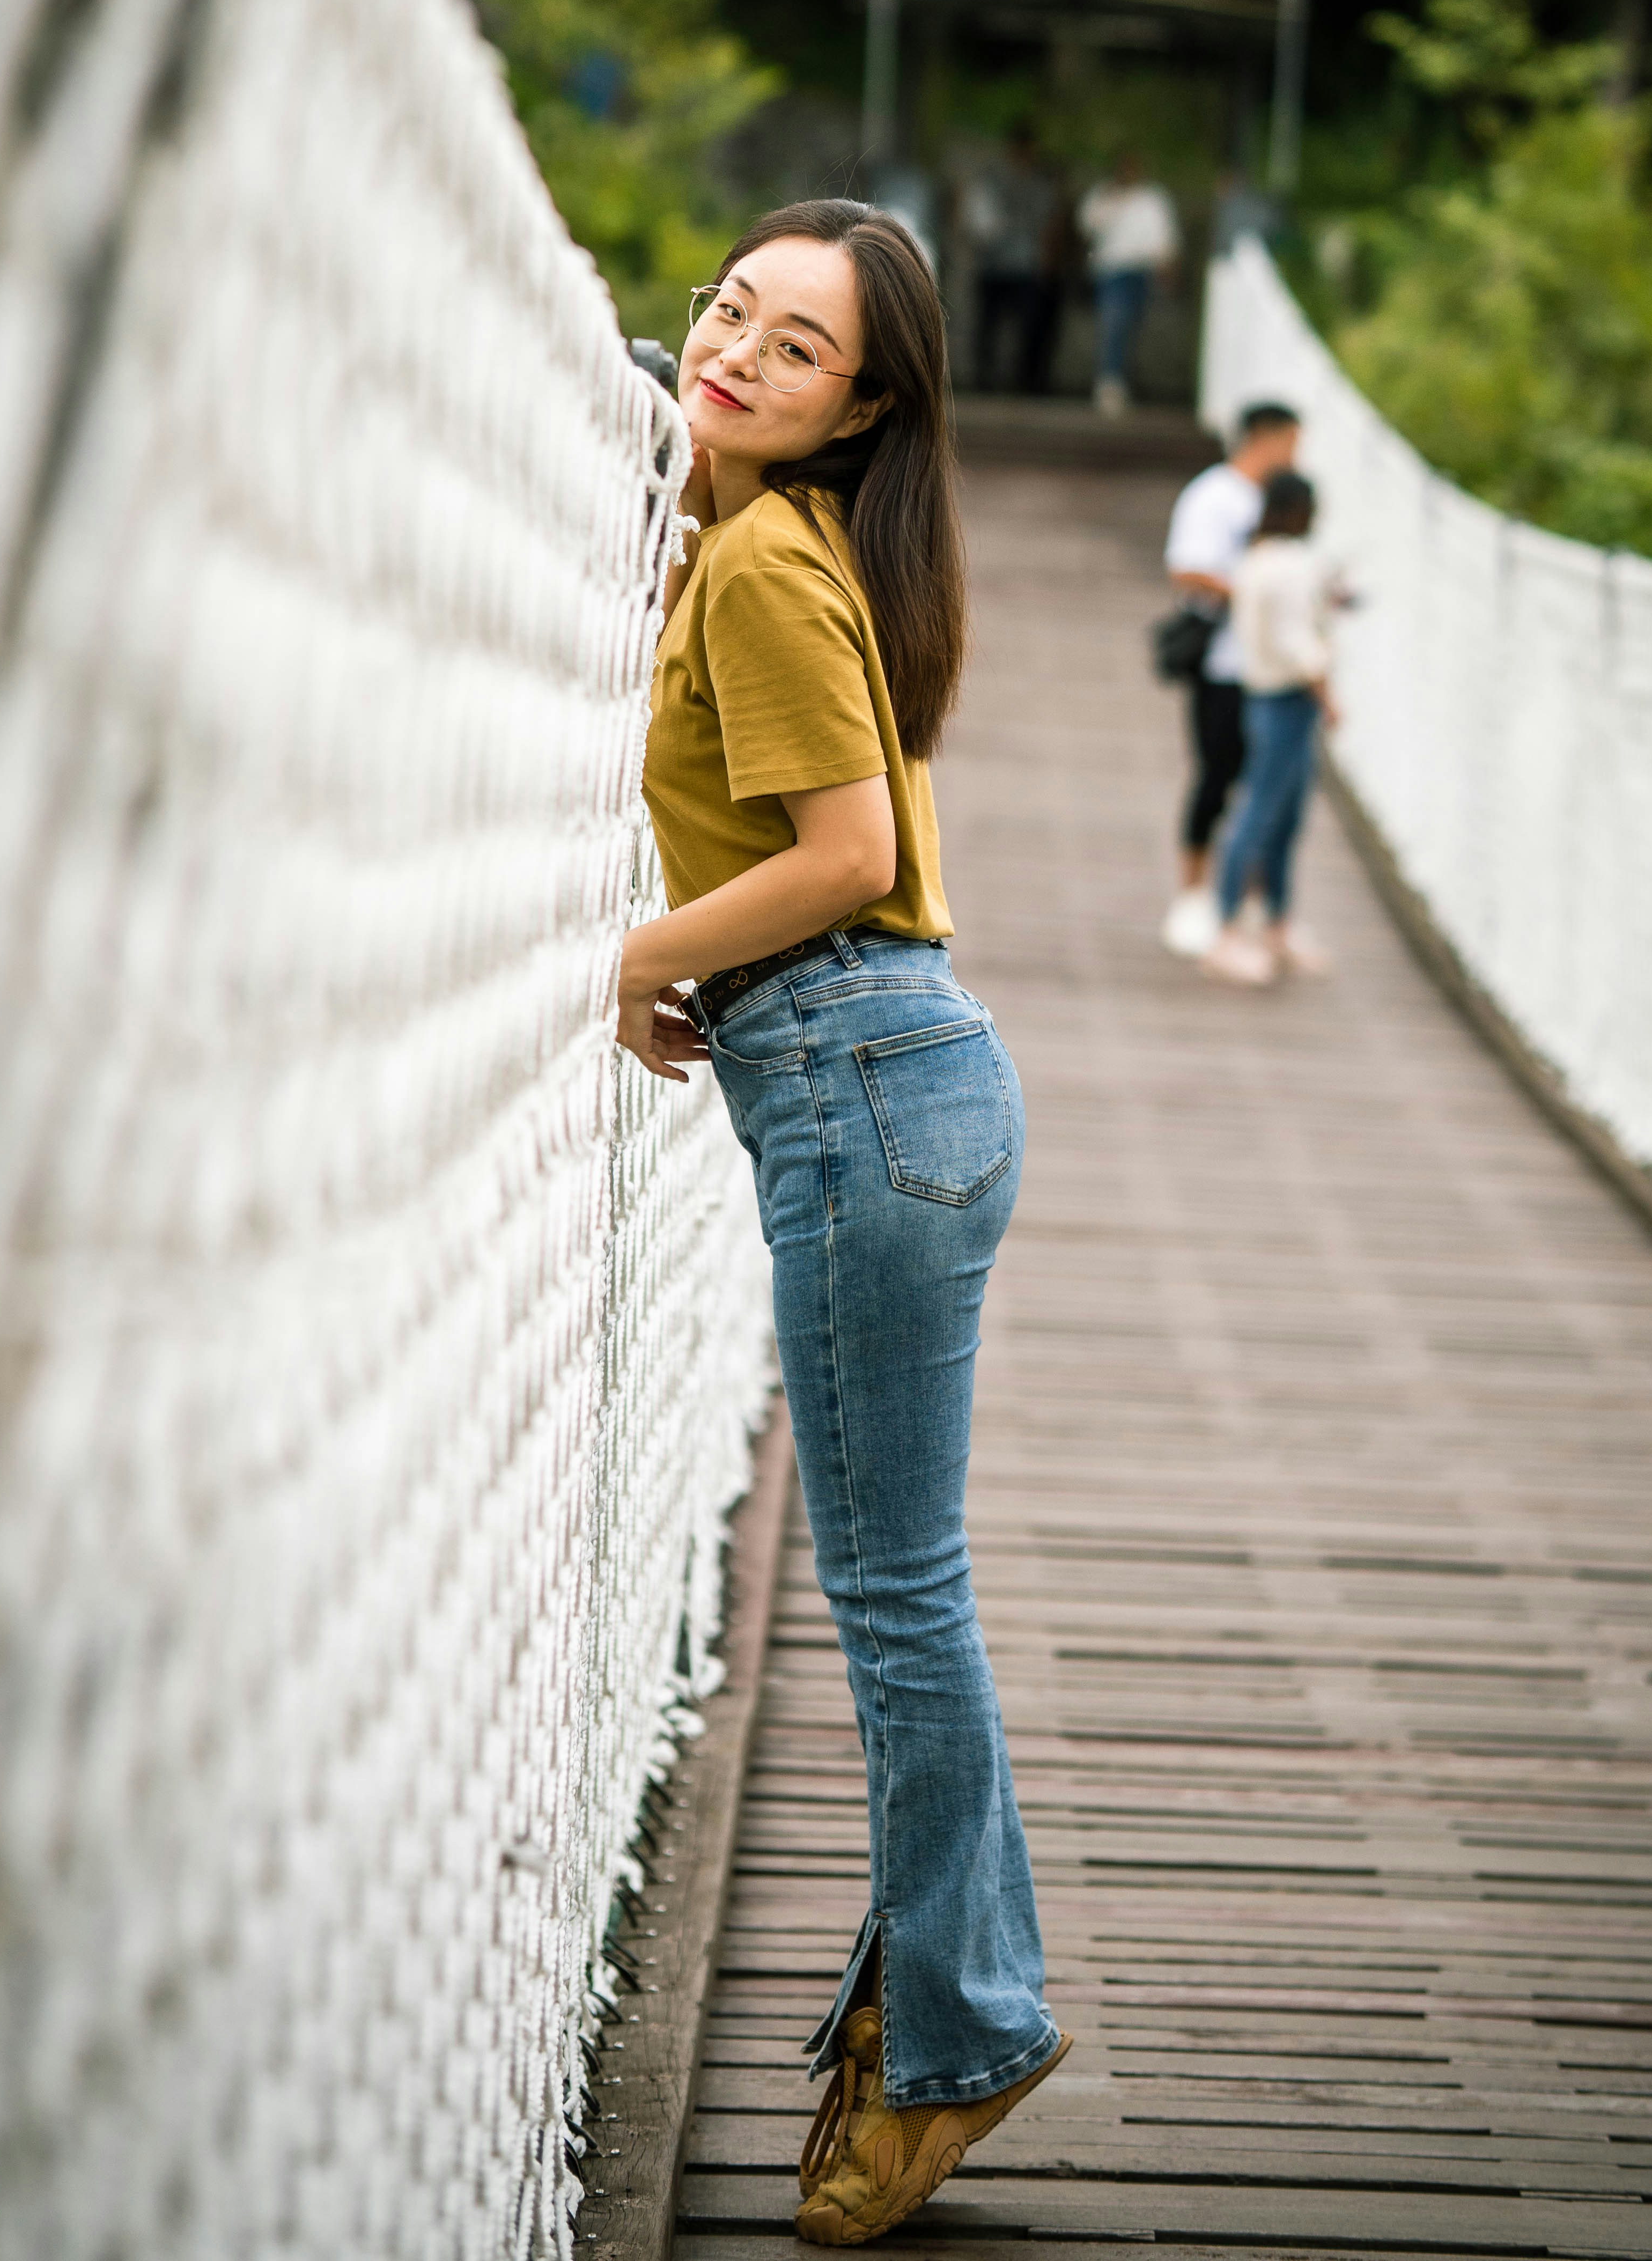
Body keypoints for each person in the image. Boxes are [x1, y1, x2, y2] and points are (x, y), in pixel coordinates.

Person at [621, 200, 1070, 2247]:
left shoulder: (768, 570)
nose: (735, 351)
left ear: (864, 404)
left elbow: (843, 852)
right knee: (906, 1582)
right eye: (730, 310)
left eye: (793, 347)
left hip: (856, 1076)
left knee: (894, 1592)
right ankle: (946, 2012)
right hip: (886, 1076)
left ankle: (958, 2035)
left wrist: (633, 957)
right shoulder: (760, 540)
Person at [1159, 402, 1302, 955]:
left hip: (1268, 667)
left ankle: (1247, 899)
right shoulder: (1214, 495)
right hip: (1223, 664)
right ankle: (1192, 894)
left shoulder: (1276, 497)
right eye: (1292, 442)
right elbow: (1186, 569)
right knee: (1216, 775)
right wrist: (1254, 592)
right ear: (1268, 438)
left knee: (1264, 786)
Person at [1200, 468, 1339, 986]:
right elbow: (1296, 643)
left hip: (1260, 695)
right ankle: (1229, 932)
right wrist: (1328, 696)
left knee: (1281, 816)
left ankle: (1276, 923)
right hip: (1289, 701)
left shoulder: (1255, 559)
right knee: (1262, 816)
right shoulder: (1292, 565)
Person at [961, 124, 1064, 394]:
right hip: (994, 264)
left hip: (1027, 265)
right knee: (989, 324)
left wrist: (1047, 258)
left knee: (1029, 326)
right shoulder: (992, 180)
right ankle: (985, 376)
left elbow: (1050, 223)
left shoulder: (1040, 183)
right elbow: (975, 219)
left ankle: (1025, 379)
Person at [1076, 150, 1179, 413]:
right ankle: (1109, 384)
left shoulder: (1152, 199)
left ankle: (1122, 381)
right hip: (1112, 271)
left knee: (1132, 328)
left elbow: (1164, 237)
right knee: (1114, 324)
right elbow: (1087, 226)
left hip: (1142, 271)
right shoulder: (1103, 195)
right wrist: (1112, 200)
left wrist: (1167, 268)